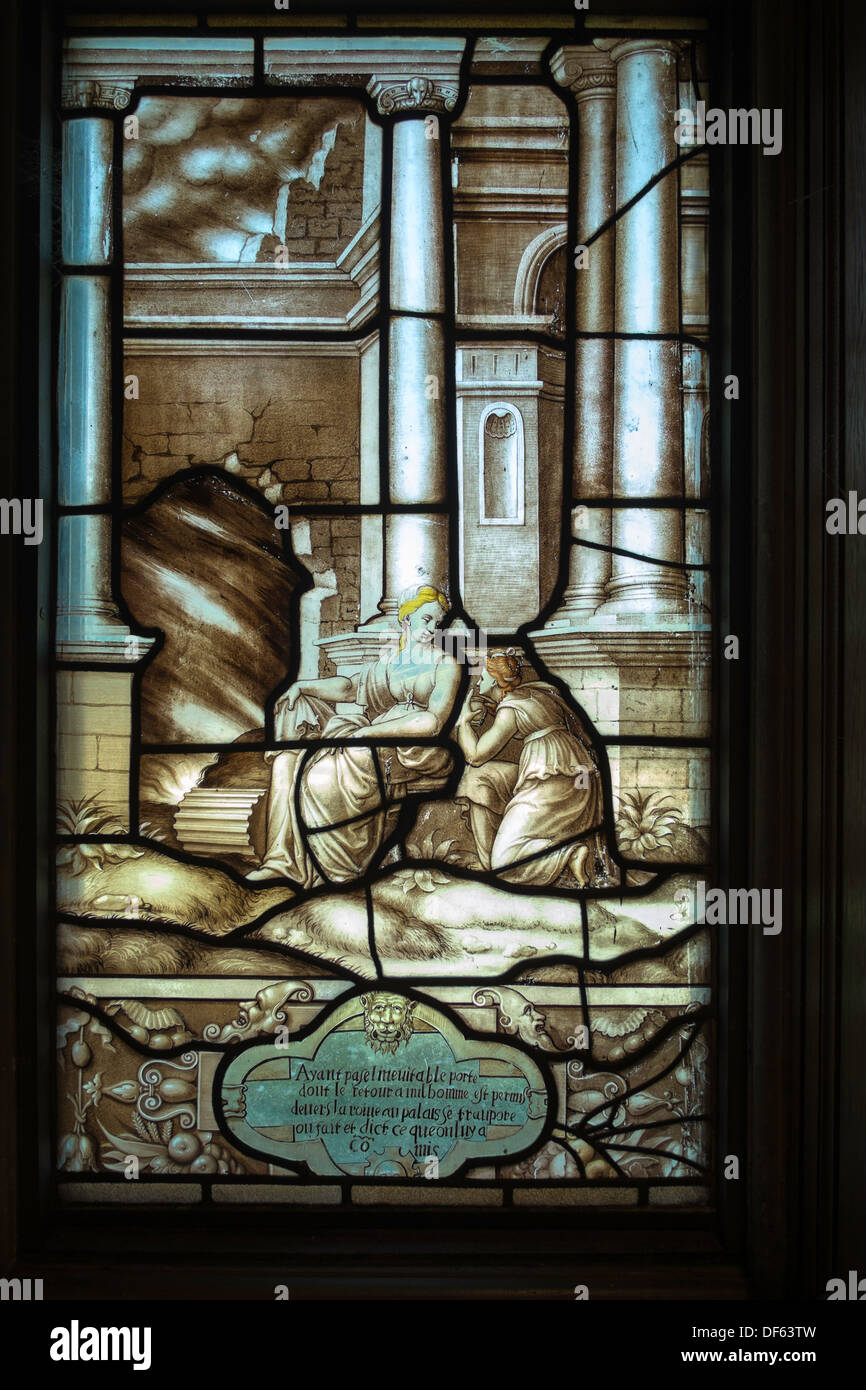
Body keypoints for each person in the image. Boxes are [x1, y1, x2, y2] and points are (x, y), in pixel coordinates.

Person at [247, 584, 460, 887]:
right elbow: (348, 688)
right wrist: (304, 686)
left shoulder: (445, 664)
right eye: (426, 619)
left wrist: (368, 733)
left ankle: (334, 871)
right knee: (286, 763)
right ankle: (281, 863)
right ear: (406, 619)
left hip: (414, 747)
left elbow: (431, 722)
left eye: (437, 623)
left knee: (329, 772)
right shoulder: (390, 662)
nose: (432, 628)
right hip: (371, 737)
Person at [455, 648, 607, 886]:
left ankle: (565, 854)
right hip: (578, 778)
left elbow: (475, 756)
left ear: (495, 679)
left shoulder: (511, 709)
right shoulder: (539, 693)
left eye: (482, 677)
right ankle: (488, 862)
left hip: (552, 782)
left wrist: (463, 722)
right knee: (476, 778)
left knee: (506, 864)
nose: (477, 683)